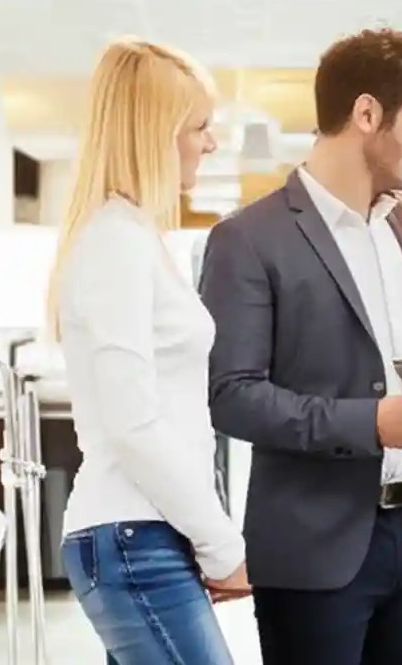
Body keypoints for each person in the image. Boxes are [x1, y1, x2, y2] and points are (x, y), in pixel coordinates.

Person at [199, 28, 402, 665]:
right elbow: (230, 396)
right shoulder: (247, 239)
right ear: (368, 114)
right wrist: (370, 424)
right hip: (311, 551)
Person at [45, 37, 250, 665]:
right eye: (200, 127)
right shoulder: (116, 243)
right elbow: (133, 424)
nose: (210, 143)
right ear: (155, 133)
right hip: (133, 535)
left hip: (147, 531)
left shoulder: (135, 236)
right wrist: (222, 545)